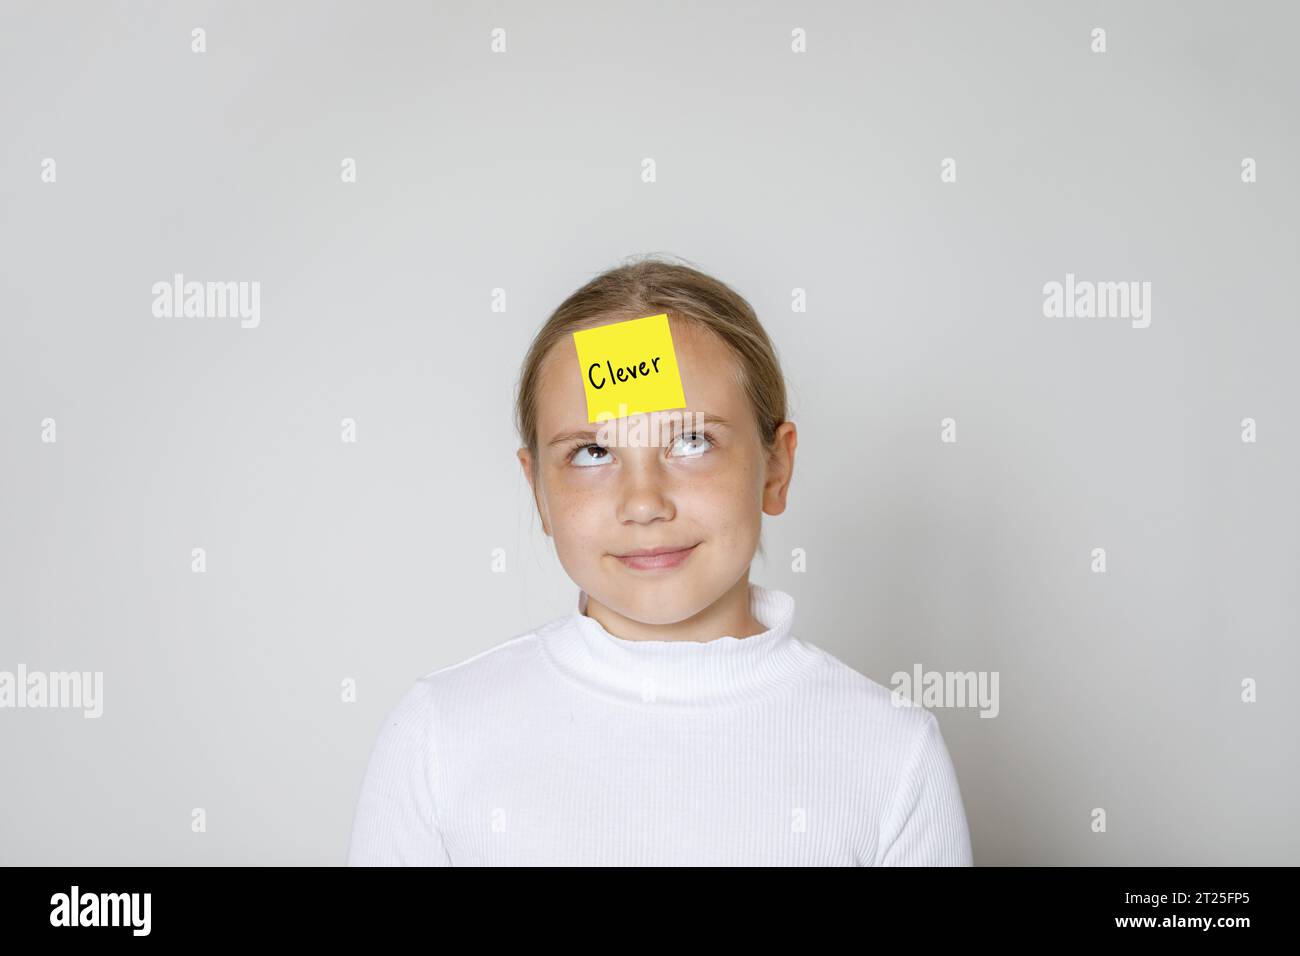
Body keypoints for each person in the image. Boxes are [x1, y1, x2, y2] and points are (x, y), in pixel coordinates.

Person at [346, 256, 973, 865]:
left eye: (691, 441)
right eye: (593, 452)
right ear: (537, 487)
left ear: (775, 467)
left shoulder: (892, 754)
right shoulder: (439, 736)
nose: (643, 503)